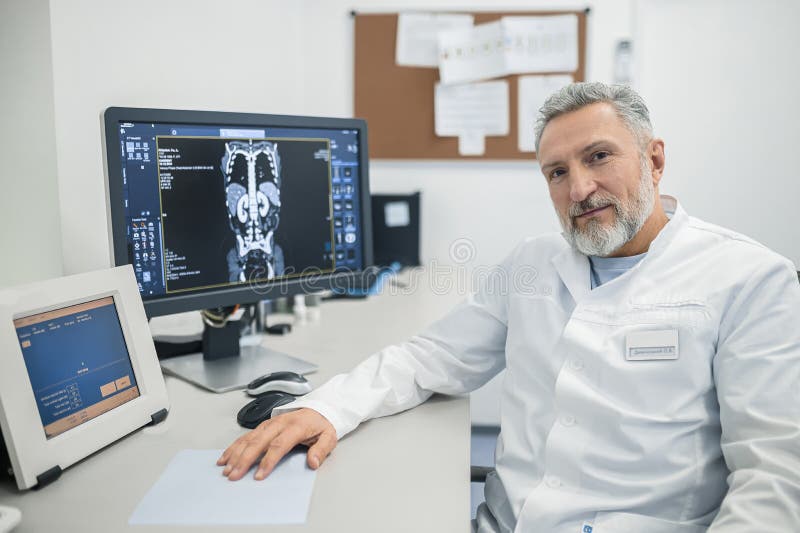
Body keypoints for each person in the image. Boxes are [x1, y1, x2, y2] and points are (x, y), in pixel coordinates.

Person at [217, 82, 800, 532]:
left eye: (599, 156)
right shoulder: (534, 262)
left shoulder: (748, 279)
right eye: (557, 172)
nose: (578, 189)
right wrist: (327, 408)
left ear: (654, 159)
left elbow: (773, 475)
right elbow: (431, 358)